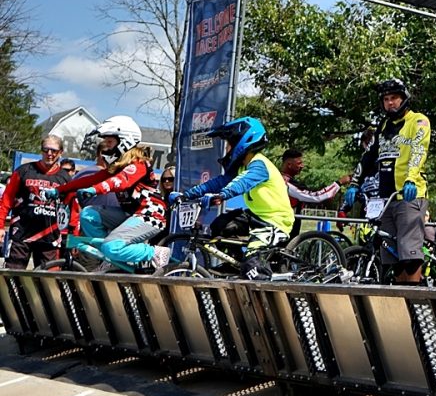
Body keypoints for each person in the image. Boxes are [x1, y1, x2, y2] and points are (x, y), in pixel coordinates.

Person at [173, 117, 294, 280]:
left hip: (275, 221)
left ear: (242, 141)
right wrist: (186, 194)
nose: (227, 149)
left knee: (252, 262)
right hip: (254, 216)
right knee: (220, 225)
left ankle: (264, 286)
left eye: (229, 144)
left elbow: (240, 184)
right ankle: (234, 262)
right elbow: (217, 182)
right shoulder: (243, 165)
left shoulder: (259, 164)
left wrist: (222, 196)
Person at [42, 117, 171, 270]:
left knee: (112, 246)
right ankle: (111, 261)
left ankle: (154, 252)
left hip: (150, 216)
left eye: (110, 142)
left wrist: (94, 190)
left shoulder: (139, 163)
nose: (107, 147)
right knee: (89, 214)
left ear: (125, 141)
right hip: (130, 214)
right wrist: (59, 190)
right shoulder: (117, 166)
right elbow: (90, 179)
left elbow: (121, 181)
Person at [343, 79, 431, 284]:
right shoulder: (382, 127)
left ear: (404, 99)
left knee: (410, 256)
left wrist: (410, 179)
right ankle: (400, 300)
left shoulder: (418, 121)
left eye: (394, 98)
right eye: (386, 99)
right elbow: (368, 157)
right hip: (386, 198)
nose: (389, 103)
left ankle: (415, 301)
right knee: (393, 258)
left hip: (409, 194)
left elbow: (419, 151)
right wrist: (355, 183)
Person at [0, 135, 71, 268]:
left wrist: (73, 235)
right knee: (12, 275)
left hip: (50, 236)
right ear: (41, 150)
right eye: (46, 149)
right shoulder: (24, 171)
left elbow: (72, 208)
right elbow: (6, 199)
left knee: (49, 282)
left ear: (60, 152)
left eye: (54, 150)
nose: (49, 154)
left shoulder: (65, 178)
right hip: (21, 234)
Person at [279, 149, 340, 237]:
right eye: (299, 163)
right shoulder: (287, 183)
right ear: (289, 164)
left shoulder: (282, 178)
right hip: (284, 228)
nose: (302, 166)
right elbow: (315, 196)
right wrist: (338, 183)